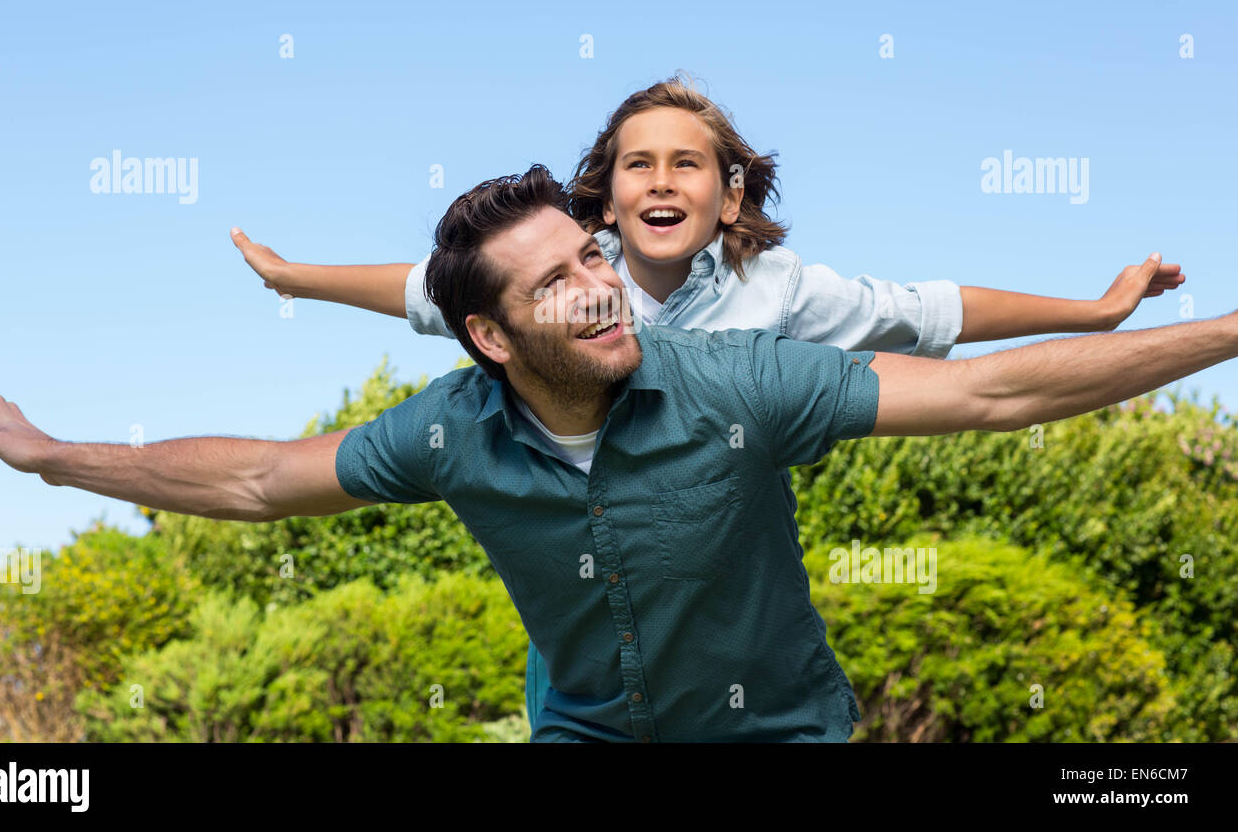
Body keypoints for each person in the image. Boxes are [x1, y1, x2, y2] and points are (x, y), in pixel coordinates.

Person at [0, 166, 1231, 742]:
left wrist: (1224, 331)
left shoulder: (738, 377)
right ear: (487, 335)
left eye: (593, 256)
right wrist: (63, 460)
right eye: (558, 280)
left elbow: (990, 394)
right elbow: (253, 477)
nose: (602, 286)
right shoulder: (445, 431)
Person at [228, 75, 1184, 730]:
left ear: (729, 198)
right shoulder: (556, 283)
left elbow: (933, 314)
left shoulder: (783, 292)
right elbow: (415, 285)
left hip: (716, 584)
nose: (660, 180)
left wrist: (1098, 314)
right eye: (637, 165)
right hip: (589, 624)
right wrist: (294, 278)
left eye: (687, 165)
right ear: (603, 198)